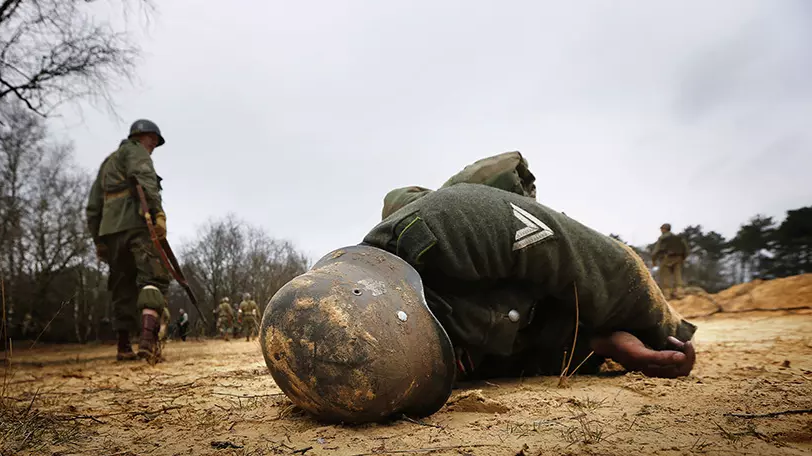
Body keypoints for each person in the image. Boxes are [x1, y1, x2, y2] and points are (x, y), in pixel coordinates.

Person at [259, 156, 697, 425]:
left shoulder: (446, 221)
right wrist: (602, 347)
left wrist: (661, 329)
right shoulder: (411, 352)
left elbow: (595, 260)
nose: (458, 369)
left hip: (486, 245)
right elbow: (517, 346)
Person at [86, 119, 170, 361]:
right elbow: (145, 180)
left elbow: (93, 207)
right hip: (137, 224)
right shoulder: (136, 152)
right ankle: (147, 342)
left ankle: (123, 347)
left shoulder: (108, 163)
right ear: (139, 136)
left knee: (121, 285)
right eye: (152, 139)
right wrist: (158, 214)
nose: (154, 144)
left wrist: (99, 241)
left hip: (111, 233)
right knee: (153, 277)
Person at [651, 223, 690, 299]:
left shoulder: (662, 238)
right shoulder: (678, 238)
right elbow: (686, 249)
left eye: (662, 229)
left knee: (665, 276)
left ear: (664, 229)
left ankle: (667, 295)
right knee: (678, 276)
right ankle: (679, 293)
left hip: (667, 258)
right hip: (678, 258)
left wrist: (654, 260)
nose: (661, 230)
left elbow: (656, 250)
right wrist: (683, 258)